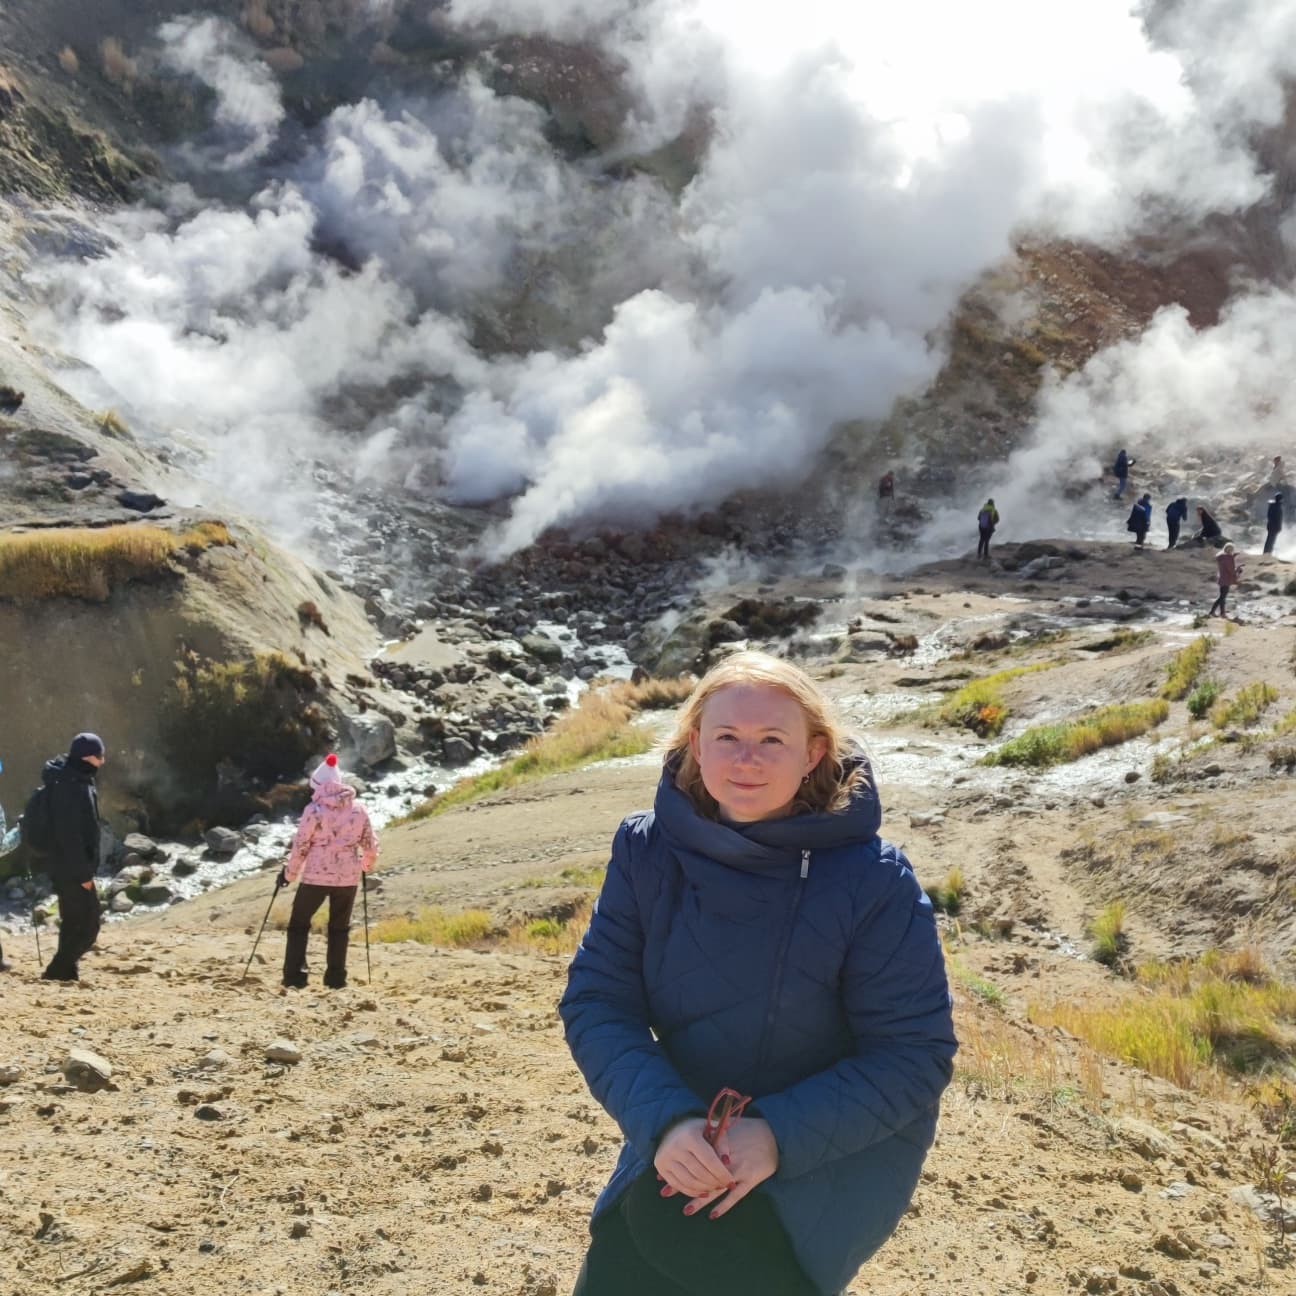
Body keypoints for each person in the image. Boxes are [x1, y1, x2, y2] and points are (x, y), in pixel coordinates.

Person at [561, 652, 957, 1296]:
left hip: (828, 1148)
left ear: (813, 753)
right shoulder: (645, 850)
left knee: (715, 1255)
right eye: (727, 738)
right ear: (696, 744)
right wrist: (667, 1122)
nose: (747, 759)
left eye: (773, 739)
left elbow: (915, 1055)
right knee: (627, 1258)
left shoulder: (874, 879)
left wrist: (775, 1135)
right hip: (682, 1125)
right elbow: (598, 1003)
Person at [280, 754, 378, 989]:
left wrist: (289, 875)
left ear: (318, 785)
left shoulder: (313, 810)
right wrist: (366, 865)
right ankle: (336, 979)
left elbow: (301, 845)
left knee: (299, 924)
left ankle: (295, 977)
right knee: (339, 927)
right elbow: (370, 845)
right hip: (348, 877)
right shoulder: (359, 809)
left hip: (316, 875)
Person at [40, 733, 106, 982]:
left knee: (73, 921)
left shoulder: (78, 779)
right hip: (70, 867)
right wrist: (83, 874)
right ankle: (57, 969)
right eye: (100, 756)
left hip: (67, 865)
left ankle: (66, 971)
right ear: (88, 757)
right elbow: (70, 835)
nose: (103, 761)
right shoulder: (70, 785)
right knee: (89, 924)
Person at [1209, 543, 1244, 618]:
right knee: (1222, 597)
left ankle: (1221, 613)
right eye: (1232, 550)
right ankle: (1213, 612)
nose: (1232, 551)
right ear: (1230, 550)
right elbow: (1231, 571)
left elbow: (1227, 566)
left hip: (1222, 579)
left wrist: (1233, 557)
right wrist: (1238, 569)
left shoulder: (1222, 557)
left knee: (1222, 597)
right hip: (1226, 580)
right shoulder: (1228, 558)